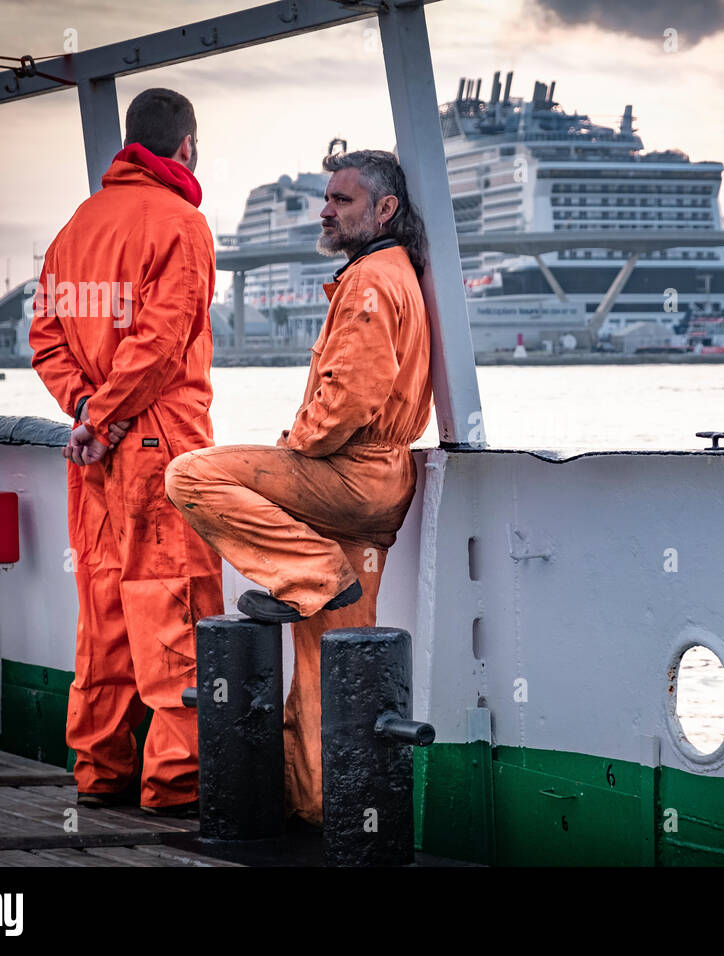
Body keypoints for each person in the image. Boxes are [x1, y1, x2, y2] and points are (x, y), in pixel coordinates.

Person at [165, 148, 433, 827]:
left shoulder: (371, 279)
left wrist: (294, 451)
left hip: (352, 474)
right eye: (328, 197)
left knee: (191, 474)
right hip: (379, 490)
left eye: (342, 200)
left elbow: (348, 398)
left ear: (384, 210)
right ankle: (321, 810)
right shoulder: (398, 273)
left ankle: (310, 573)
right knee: (324, 667)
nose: (326, 209)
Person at [29, 88, 224, 816]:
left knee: (104, 607)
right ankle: (176, 787)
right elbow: (161, 344)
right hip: (158, 446)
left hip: (92, 458)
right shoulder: (182, 225)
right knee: (172, 602)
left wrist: (82, 410)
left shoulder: (77, 226)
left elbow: (44, 335)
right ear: (186, 147)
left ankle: (100, 771)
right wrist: (105, 418)